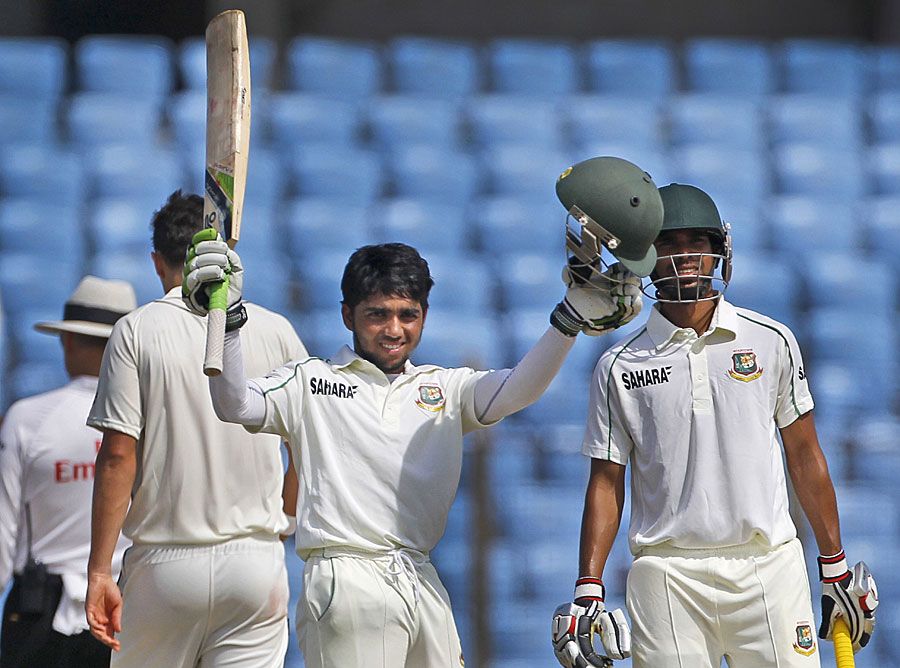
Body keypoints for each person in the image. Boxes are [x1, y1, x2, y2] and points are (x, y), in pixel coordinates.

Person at [181, 157, 664, 667]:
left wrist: (566, 322)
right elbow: (233, 403)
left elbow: (517, 390)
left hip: (419, 575)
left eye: (408, 315)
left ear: (425, 316)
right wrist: (228, 319)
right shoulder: (311, 381)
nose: (394, 330)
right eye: (377, 315)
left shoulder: (442, 388)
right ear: (348, 315)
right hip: (347, 577)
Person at [551, 183, 878, 668]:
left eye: (696, 244)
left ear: (718, 251)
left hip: (768, 566)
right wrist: (588, 587)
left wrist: (833, 566)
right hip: (667, 574)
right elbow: (606, 482)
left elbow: (805, 455)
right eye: (669, 244)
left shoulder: (771, 340)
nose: (685, 257)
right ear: (648, 257)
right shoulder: (618, 365)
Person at [84, 191, 308, 667]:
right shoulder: (277, 330)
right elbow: (308, 449)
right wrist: (285, 520)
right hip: (256, 562)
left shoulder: (137, 330)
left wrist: (100, 570)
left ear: (157, 261)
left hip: (166, 565)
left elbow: (119, 455)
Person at [0, 276, 136, 668]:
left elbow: (4, 535)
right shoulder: (151, 419)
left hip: (40, 611)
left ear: (68, 340)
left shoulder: (27, 419)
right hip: (126, 609)